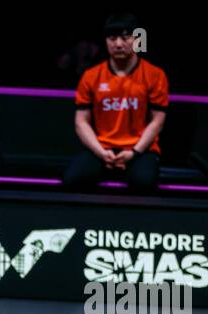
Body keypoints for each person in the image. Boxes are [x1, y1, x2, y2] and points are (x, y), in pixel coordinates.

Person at [62, 12, 168, 193]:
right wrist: (100, 152)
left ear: (136, 39)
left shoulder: (155, 75)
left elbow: (157, 120)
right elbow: (81, 121)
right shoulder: (91, 76)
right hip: (102, 148)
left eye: (125, 37)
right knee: (73, 179)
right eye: (112, 38)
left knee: (143, 182)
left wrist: (134, 152)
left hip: (139, 150)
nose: (118, 44)